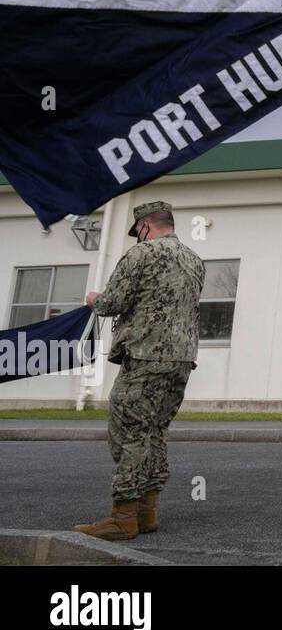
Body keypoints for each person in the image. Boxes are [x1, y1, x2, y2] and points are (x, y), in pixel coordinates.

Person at [74, 200, 205, 541]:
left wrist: (93, 298)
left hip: (146, 357)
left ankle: (123, 518)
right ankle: (148, 512)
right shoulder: (194, 260)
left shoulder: (141, 255)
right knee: (156, 431)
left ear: (145, 226)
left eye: (138, 232)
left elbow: (112, 302)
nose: (138, 237)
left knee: (129, 431)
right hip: (181, 359)